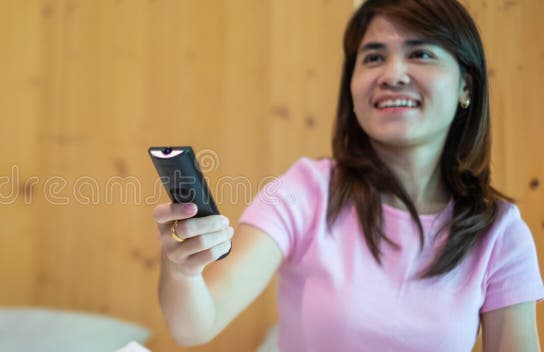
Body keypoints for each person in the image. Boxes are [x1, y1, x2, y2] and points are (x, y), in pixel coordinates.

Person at [151, 0, 544, 351]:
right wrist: (183, 270)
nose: (392, 74)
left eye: (420, 53)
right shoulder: (306, 192)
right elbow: (194, 326)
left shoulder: (499, 233)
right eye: (373, 57)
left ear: (466, 86)